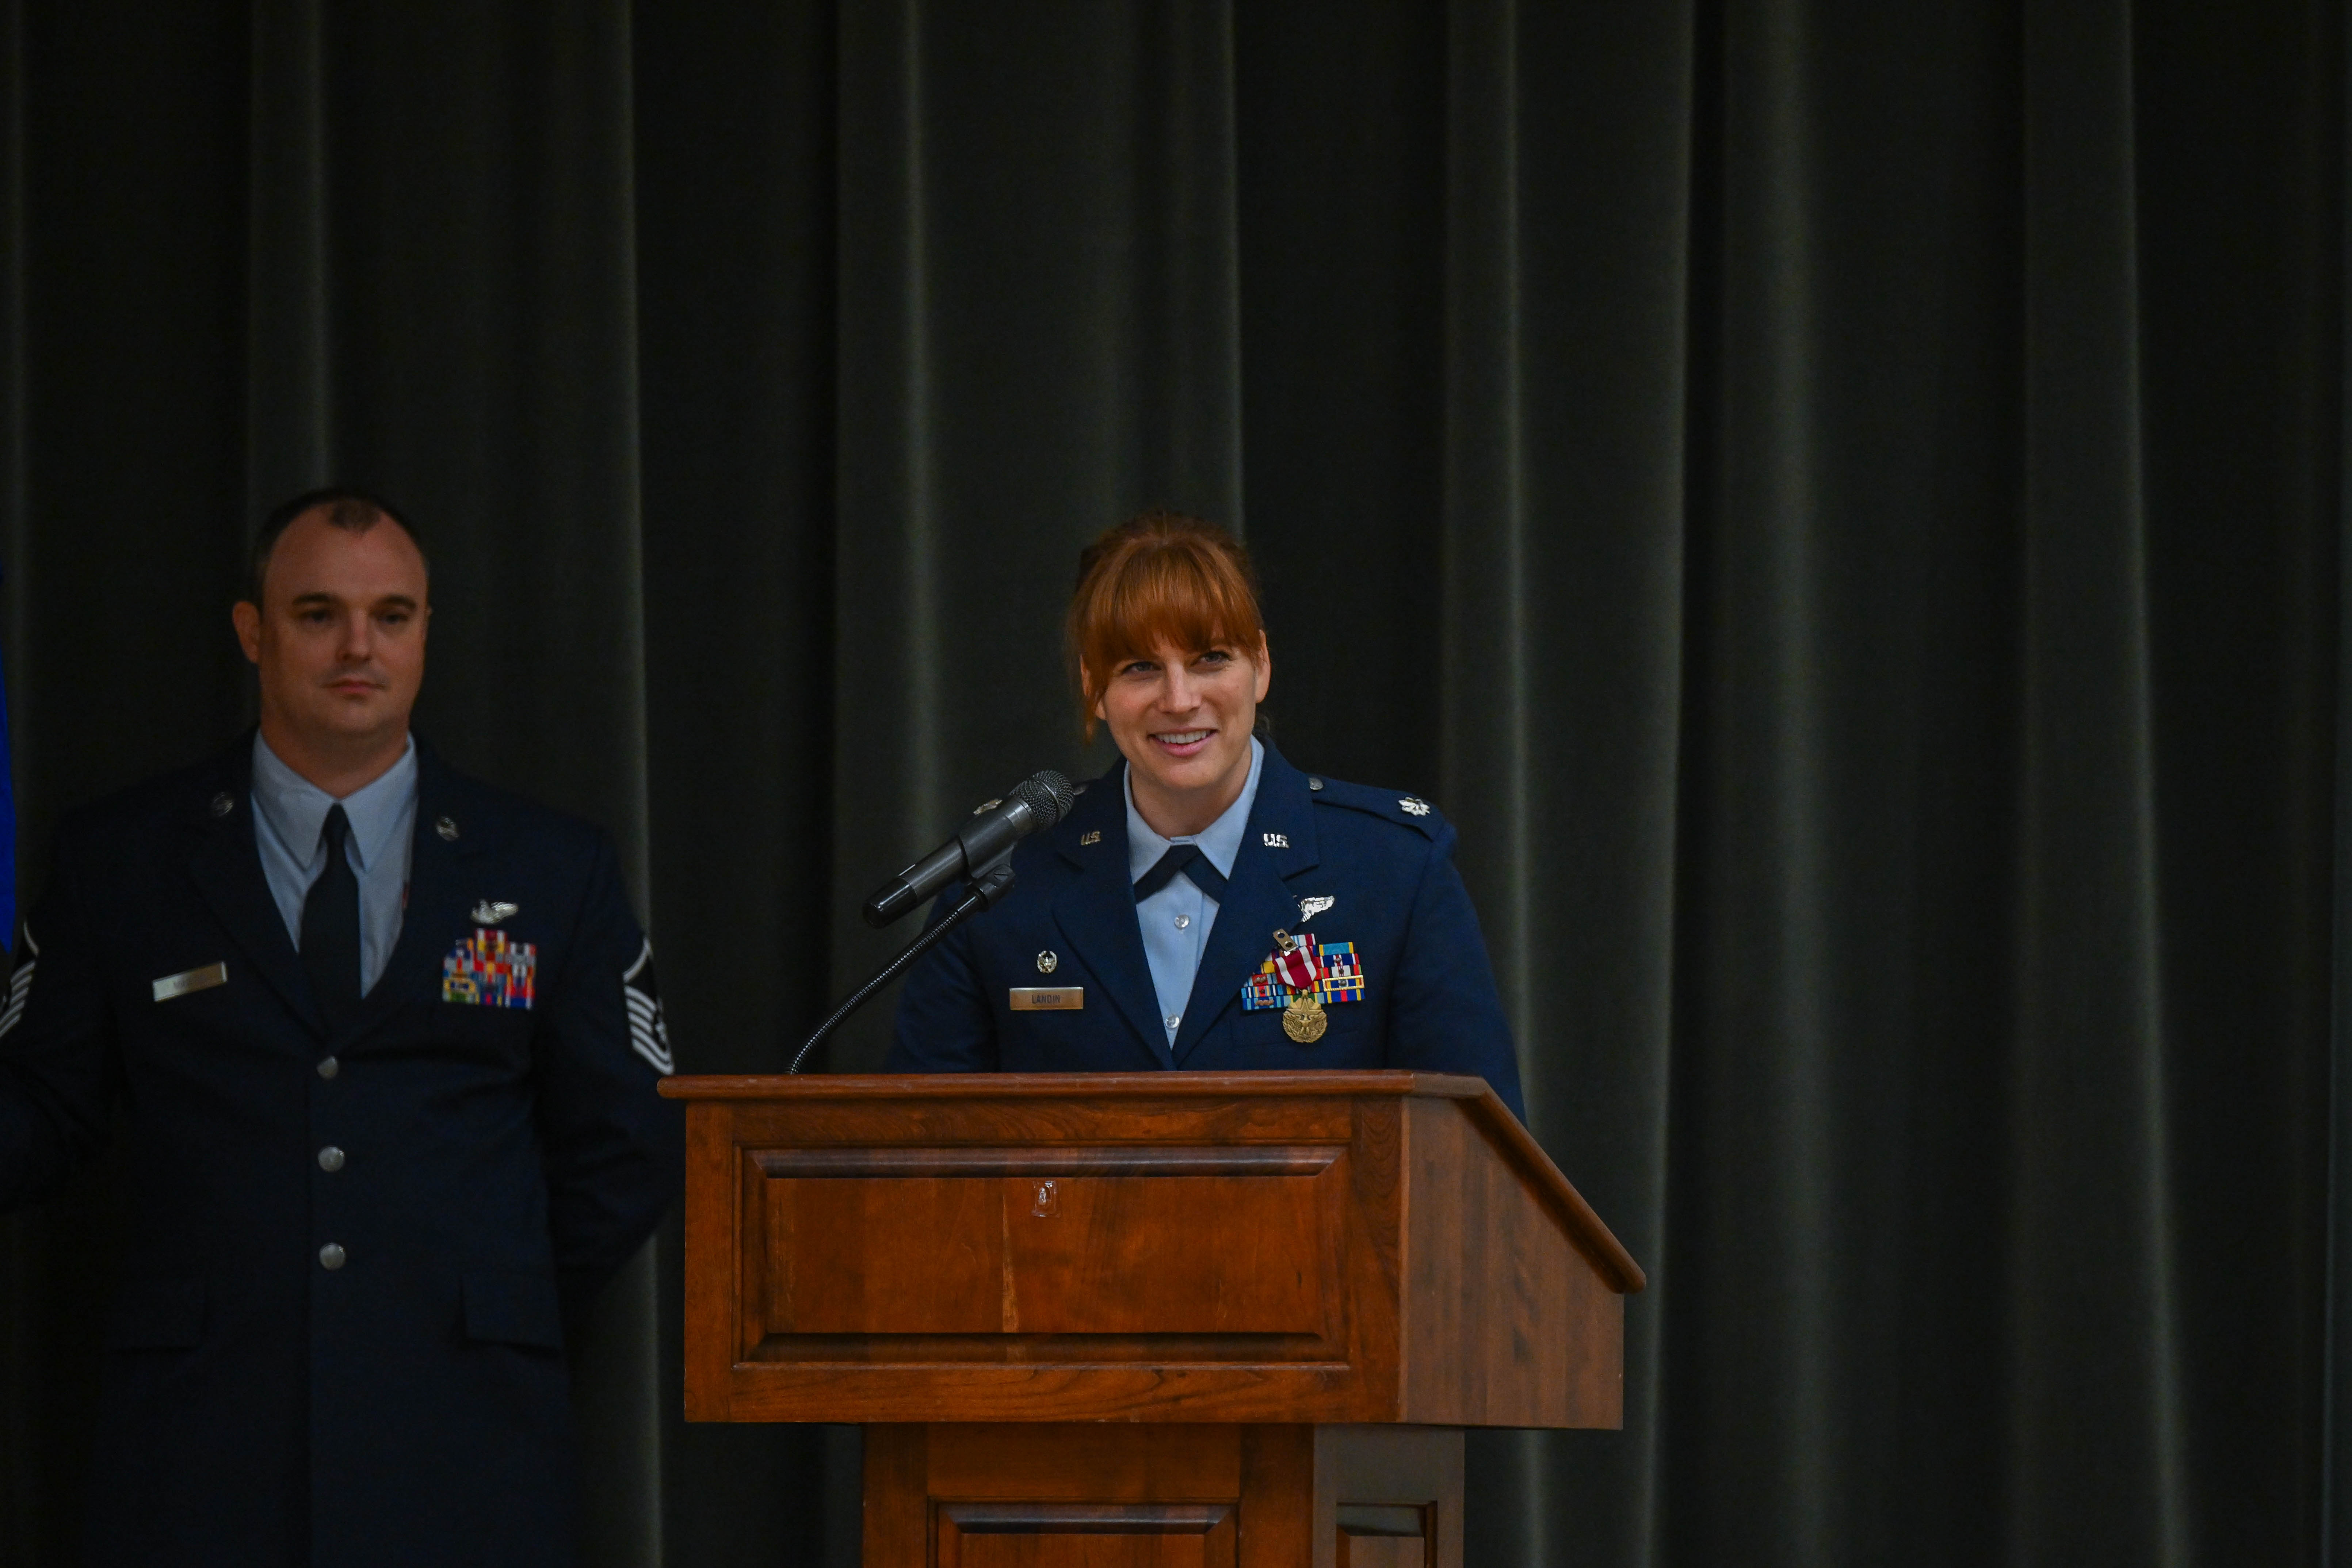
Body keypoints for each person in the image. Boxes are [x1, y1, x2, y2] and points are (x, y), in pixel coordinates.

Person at [0, 489, 682, 1567]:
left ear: (425, 632)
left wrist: (478, 1288)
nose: (359, 646)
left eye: (391, 615)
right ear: (252, 630)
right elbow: (36, 1115)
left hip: (465, 1433)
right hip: (201, 1440)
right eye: (318, 613)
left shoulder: (551, 868)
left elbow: (632, 1134)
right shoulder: (121, 859)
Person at [889, 510, 1526, 1119]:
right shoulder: (1004, 884)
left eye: (1210, 659)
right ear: (1094, 687)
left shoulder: (1393, 870)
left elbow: (1477, 1156)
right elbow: (921, 1148)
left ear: (1262, 665)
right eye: (1141, 668)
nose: (1179, 698)